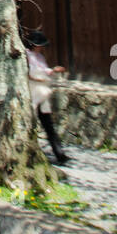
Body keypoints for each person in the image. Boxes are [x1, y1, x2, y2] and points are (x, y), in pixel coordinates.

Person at [25, 29, 70, 165]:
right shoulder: (25, 55)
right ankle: (28, 151)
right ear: (33, 44)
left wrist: (53, 71)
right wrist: (46, 74)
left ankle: (59, 153)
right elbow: (30, 73)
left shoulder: (40, 58)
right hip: (31, 90)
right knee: (28, 122)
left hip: (42, 91)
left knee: (48, 123)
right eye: (39, 45)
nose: (41, 48)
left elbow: (44, 70)